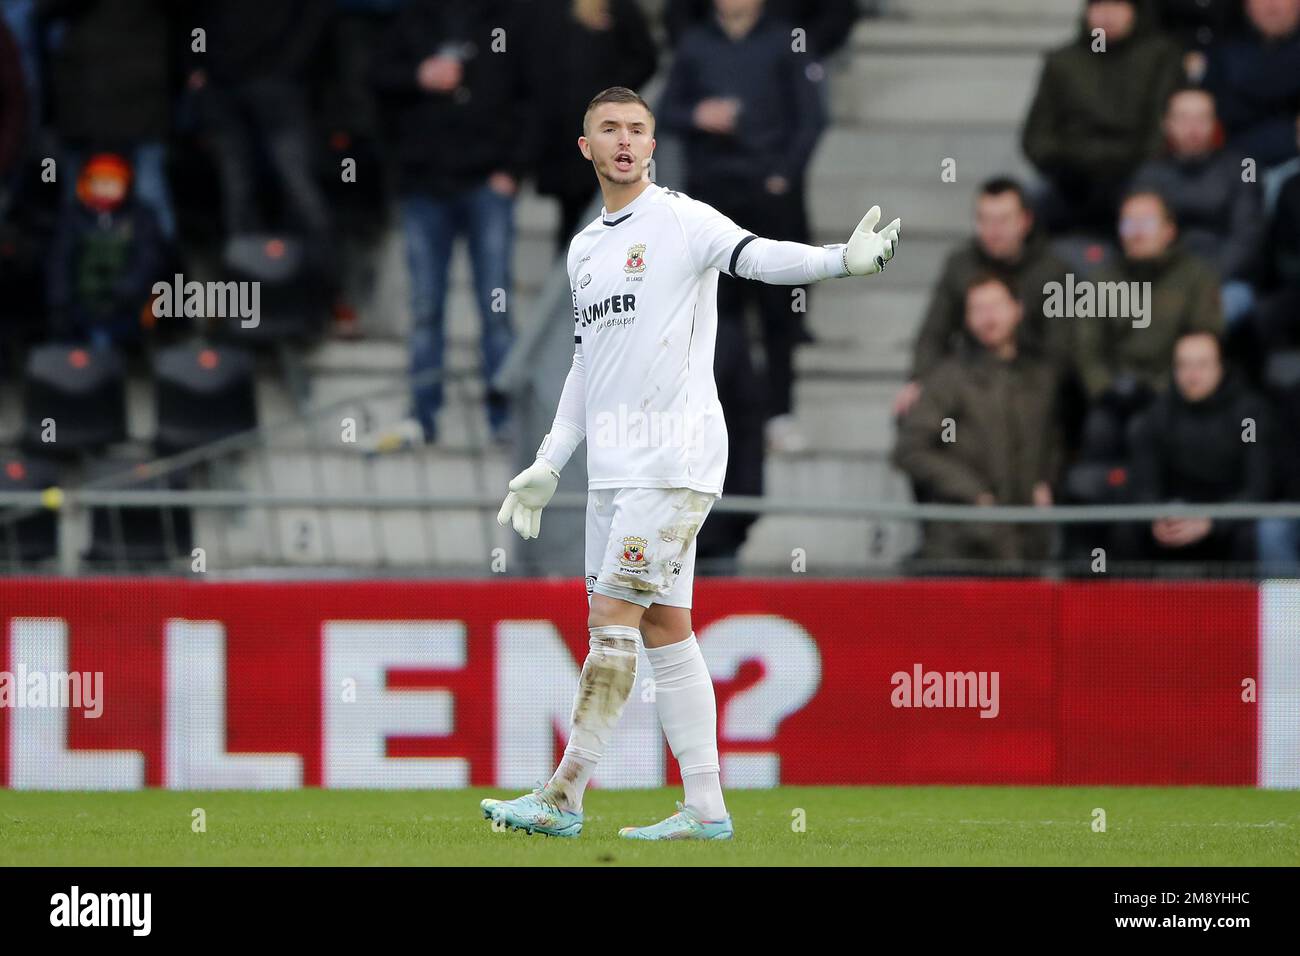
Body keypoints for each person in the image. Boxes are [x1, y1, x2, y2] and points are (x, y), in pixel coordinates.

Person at [484, 87, 900, 840]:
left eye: (636, 130)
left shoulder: (682, 218)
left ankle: (563, 796)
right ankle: (707, 807)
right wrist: (550, 461)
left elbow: (759, 257)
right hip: (612, 471)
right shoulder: (585, 249)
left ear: (651, 145)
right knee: (666, 628)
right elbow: (585, 367)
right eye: (607, 129)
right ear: (585, 147)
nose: (622, 140)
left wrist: (841, 260)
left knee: (610, 617)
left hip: (673, 460)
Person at [659, 0, 829, 452]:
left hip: (771, 200)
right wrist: (699, 115)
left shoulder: (786, 39)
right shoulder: (695, 44)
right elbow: (665, 110)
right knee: (714, 316)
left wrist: (784, 176)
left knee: (779, 314)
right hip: (713, 200)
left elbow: (812, 117)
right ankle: (717, 416)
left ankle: (779, 413)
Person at [893, 274, 1061, 566]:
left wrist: (1047, 479)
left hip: (1030, 543)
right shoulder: (949, 378)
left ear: (1017, 309)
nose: (988, 317)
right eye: (977, 309)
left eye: (995, 305)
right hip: (964, 544)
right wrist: (974, 494)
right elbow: (910, 449)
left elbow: (1056, 438)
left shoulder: (1042, 376)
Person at [895, 177, 1069, 417]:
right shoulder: (960, 265)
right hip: (971, 381)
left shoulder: (1052, 272)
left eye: (1003, 220)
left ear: (1025, 221)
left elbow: (1059, 351)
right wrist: (920, 379)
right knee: (915, 408)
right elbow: (934, 333)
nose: (993, 230)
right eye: (984, 220)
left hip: (1031, 385)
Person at [1022, 0, 1183, 235]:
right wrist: (1062, 167)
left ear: (1134, 11)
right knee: (1028, 201)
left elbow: (1162, 125)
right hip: (1072, 171)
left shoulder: (1161, 56)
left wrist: (1126, 167)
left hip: (1136, 168)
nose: (1107, 15)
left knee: (1148, 202)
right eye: (1099, 6)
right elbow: (1036, 134)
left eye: (1117, 5)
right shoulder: (1062, 62)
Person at [1122, 330, 1272, 564]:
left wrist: (1212, 522)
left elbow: (1258, 488)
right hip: (1173, 520)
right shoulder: (1155, 416)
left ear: (1221, 367)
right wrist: (1156, 517)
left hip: (1228, 523)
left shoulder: (1249, 417)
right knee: (1126, 528)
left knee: (1256, 534)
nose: (1192, 375)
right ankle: (1127, 601)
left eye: (1202, 364)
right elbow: (1143, 486)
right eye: (1184, 365)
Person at [1131, 87, 1264, 327]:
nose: (1192, 128)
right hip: (1160, 278)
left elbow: (1247, 237)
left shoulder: (1243, 167)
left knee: (1203, 317)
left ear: (1215, 123)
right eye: (1183, 119)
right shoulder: (1149, 172)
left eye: (1202, 118)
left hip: (1225, 279)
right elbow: (1137, 233)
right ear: (1167, 123)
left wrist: (1199, 284)